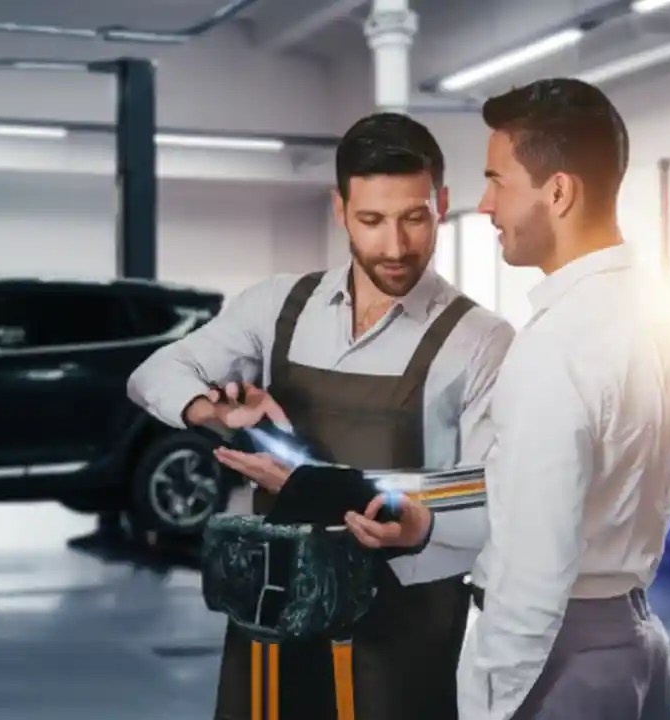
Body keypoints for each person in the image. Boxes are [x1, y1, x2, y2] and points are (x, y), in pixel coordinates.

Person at [127, 112, 515, 720]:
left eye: (415, 217)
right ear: (340, 210)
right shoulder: (281, 305)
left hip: (402, 630)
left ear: (441, 202)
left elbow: (490, 498)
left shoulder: (480, 341)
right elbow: (152, 374)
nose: (395, 245)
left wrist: (336, 493)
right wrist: (220, 413)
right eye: (371, 220)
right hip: (275, 610)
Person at [345, 78, 670, 720]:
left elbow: (534, 570)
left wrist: (488, 700)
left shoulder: (556, 345)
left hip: (559, 657)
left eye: (497, 180)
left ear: (557, 192)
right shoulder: (663, 317)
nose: (484, 205)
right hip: (636, 641)